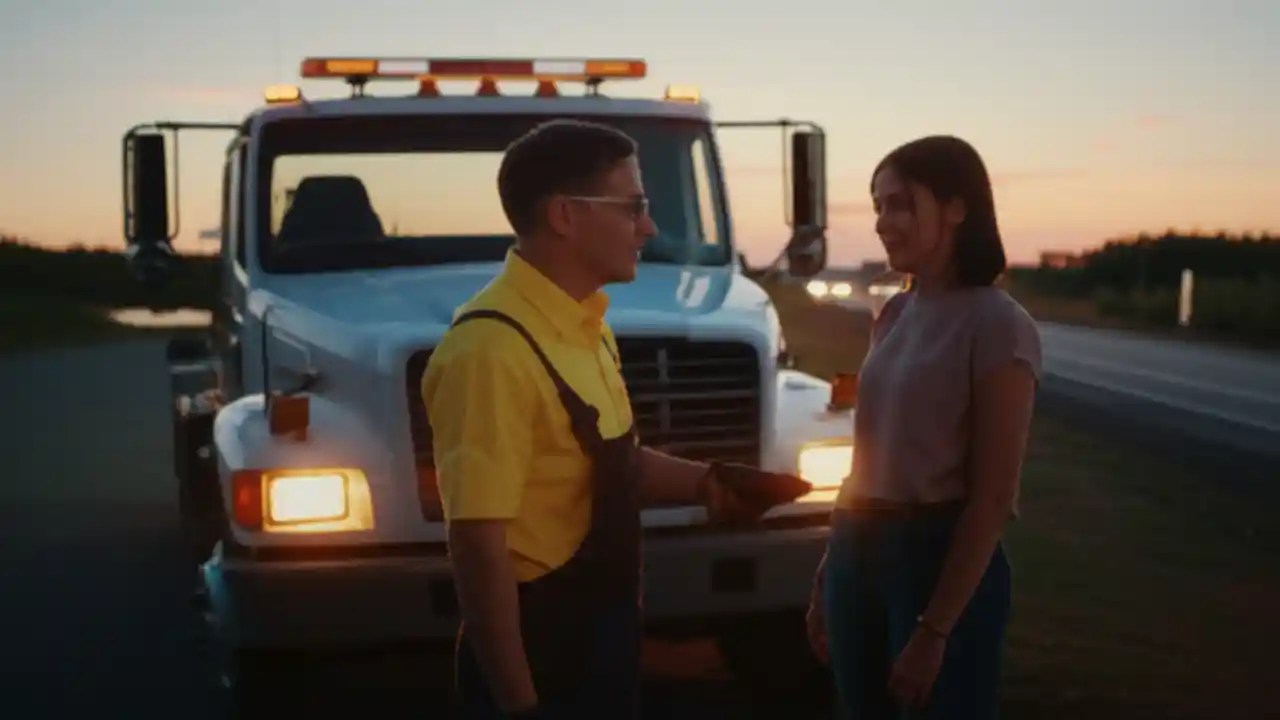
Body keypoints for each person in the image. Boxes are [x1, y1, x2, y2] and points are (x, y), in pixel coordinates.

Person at [421, 119, 809, 719]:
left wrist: (709, 483)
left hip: (598, 635)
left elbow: (603, 459)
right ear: (564, 216)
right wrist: (521, 704)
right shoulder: (489, 352)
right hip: (540, 656)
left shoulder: (587, 325)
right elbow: (477, 547)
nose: (648, 228)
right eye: (633, 208)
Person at [806, 135, 1042, 718]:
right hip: (856, 549)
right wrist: (827, 572)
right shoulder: (894, 314)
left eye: (902, 204)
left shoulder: (998, 325)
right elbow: (868, 461)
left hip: (936, 559)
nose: (884, 222)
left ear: (957, 207)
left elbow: (993, 497)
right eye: (878, 206)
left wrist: (936, 630)